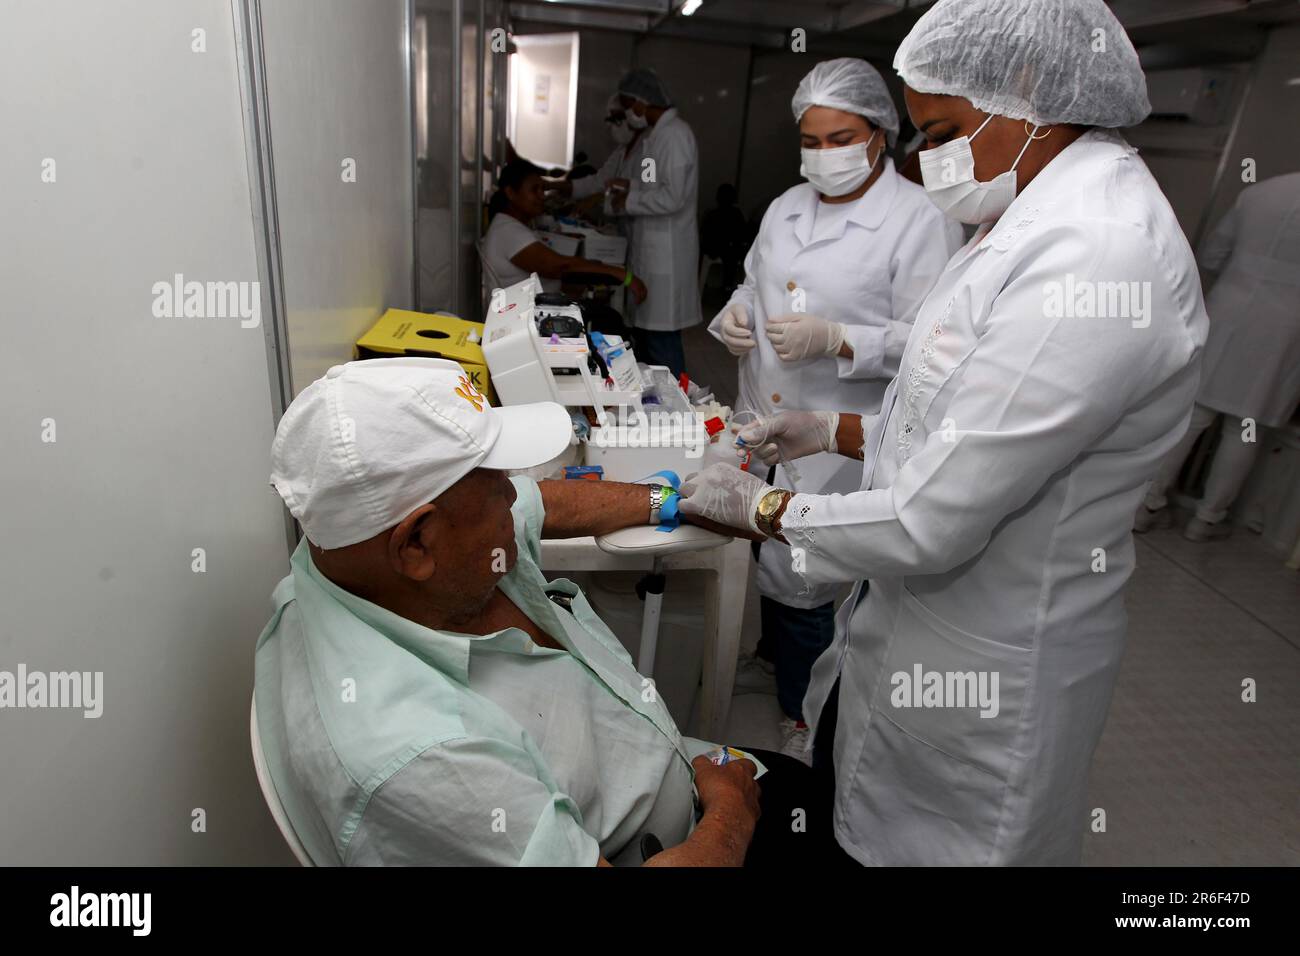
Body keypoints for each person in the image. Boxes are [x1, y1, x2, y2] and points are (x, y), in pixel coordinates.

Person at [679, 0, 1208, 865]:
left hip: (991, 656)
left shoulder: (1100, 254)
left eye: (942, 129)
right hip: (913, 621)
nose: (934, 159)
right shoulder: (1024, 214)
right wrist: (834, 430)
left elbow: (934, 516)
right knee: (857, 803)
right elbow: (956, 412)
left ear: (1030, 91)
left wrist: (762, 510)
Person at [254, 357, 847, 866]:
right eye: (497, 484)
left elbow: (546, 502)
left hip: (669, 771)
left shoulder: (351, 550)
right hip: (686, 833)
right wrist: (729, 814)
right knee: (827, 830)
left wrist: (667, 502)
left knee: (818, 796)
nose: (517, 494)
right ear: (415, 545)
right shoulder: (424, 757)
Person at [708, 58, 960, 761]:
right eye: (810, 140)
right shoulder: (788, 205)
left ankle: (802, 708)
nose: (824, 155)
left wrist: (843, 338)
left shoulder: (920, 222)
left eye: (840, 137)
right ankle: (772, 654)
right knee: (758, 542)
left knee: (808, 572)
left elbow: (934, 344)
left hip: (835, 430)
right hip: (762, 407)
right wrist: (735, 314)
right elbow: (753, 282)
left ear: (881, 135)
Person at [1136, 171, 1300, 541]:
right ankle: (1206, 519)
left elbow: (1212, 255)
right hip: (1286, 329)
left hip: (1230, 309)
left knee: (1192, 413)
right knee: (1245, 425)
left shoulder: (1259, 193)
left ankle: (1146, 504)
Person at [605, 68, 701, 377]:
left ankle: (678, 409)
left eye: (628, 104)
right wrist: (630, 185)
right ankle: (656, 405)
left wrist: (629, 201)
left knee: (661, 340)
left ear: (642, 102)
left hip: (666, 256)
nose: (628, 115)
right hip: (649, 251)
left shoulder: (676, 136)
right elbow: (650, 182)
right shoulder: (654, 137)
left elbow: (674, 197)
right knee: (648, 338)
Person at [480, 158, 647, 304]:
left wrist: (596, 268)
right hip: (526, 321)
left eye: (542, 189)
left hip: (534, 309)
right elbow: (559, 266)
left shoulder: (512, 226)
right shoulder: (508, 231)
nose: (542, 196)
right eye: (534, 190)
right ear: (511, 193)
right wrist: (619, 273)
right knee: (608, 319)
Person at [700, 183, 749, 293]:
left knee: (732, 253)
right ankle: (727, 288)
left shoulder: (729, 214)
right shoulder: (719, 214)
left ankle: (727, 287)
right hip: (719, 248)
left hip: (724, 248)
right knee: (732, 254)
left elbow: (742, 233)